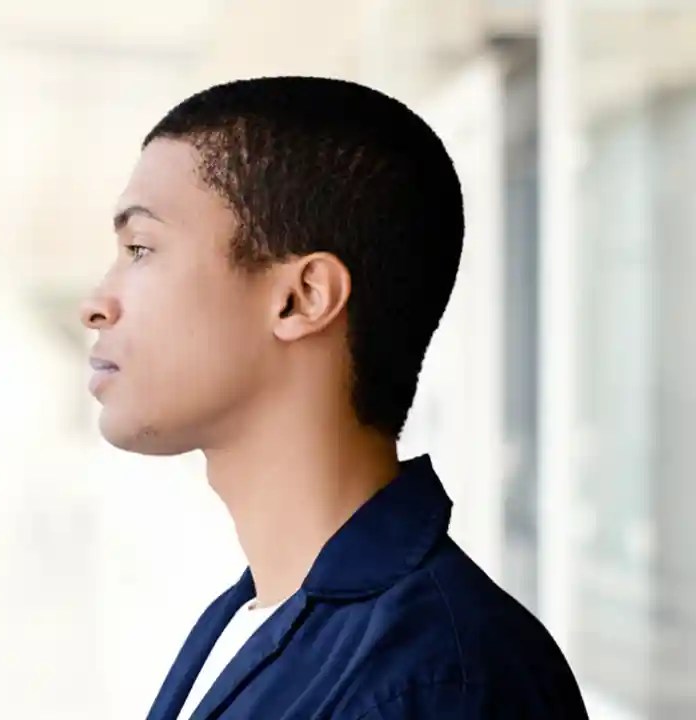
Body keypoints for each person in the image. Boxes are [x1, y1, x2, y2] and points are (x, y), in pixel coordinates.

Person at [79, 76, 587, 719]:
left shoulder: (436, 682)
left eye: (141, 249)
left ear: (302, 298)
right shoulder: (252, 617)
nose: (96, 304)